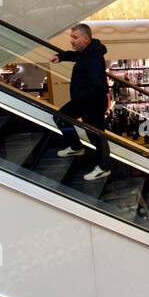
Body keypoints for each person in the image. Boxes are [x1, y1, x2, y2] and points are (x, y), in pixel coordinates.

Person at [51, 24, 112, 181]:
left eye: (75, 38)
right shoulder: (88, 52)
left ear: (86, 38)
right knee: (63, 119)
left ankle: (103, 167)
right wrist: (62, 56)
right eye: (71, 37)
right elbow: (76, 56)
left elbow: (97, 86)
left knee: (96, 135)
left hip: (91, 102)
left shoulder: (93, 58)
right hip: (86, 101)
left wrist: (81, 102)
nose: (71, 41)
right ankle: (76, 147)